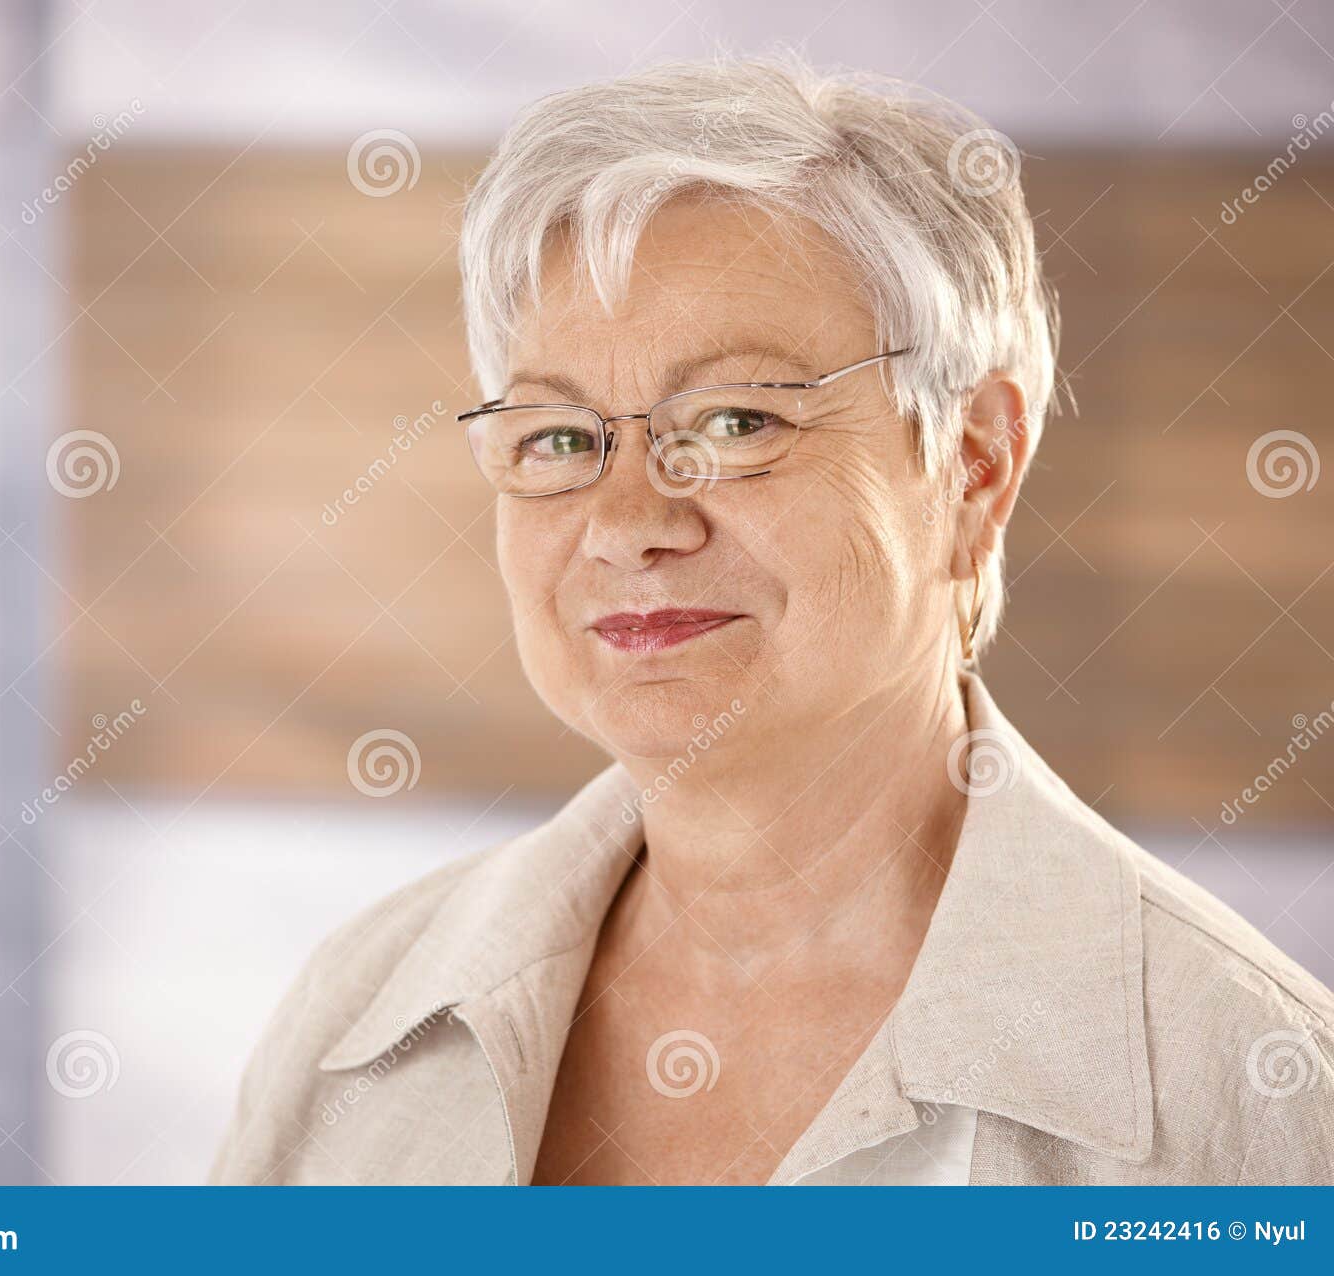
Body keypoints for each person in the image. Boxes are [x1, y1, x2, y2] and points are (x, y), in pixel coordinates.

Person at [211, 57, 1334, 1186]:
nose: (626, 522)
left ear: (974, 464)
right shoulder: (355, 1019)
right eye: (558, 437)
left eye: (738, 418)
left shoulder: (1252, 1098)